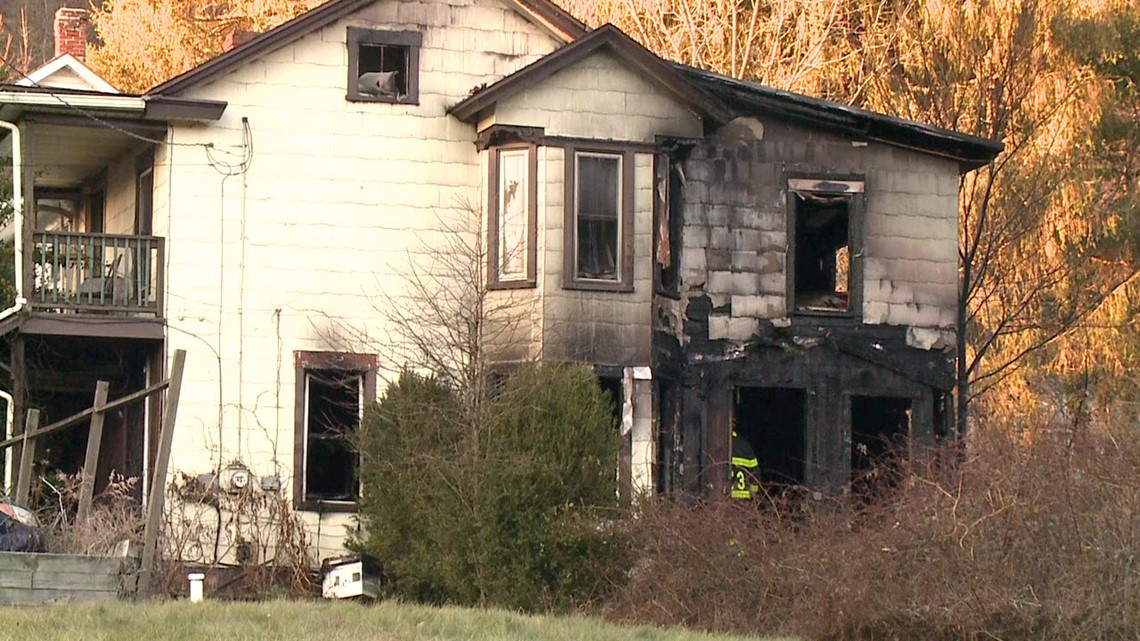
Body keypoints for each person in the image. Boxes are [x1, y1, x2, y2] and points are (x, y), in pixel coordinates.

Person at [730, 430, 760, 500]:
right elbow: (755, 473)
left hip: (726, 499)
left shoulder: (718, 444)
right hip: (744, 502)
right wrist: (753, 495)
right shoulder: (744, 445)